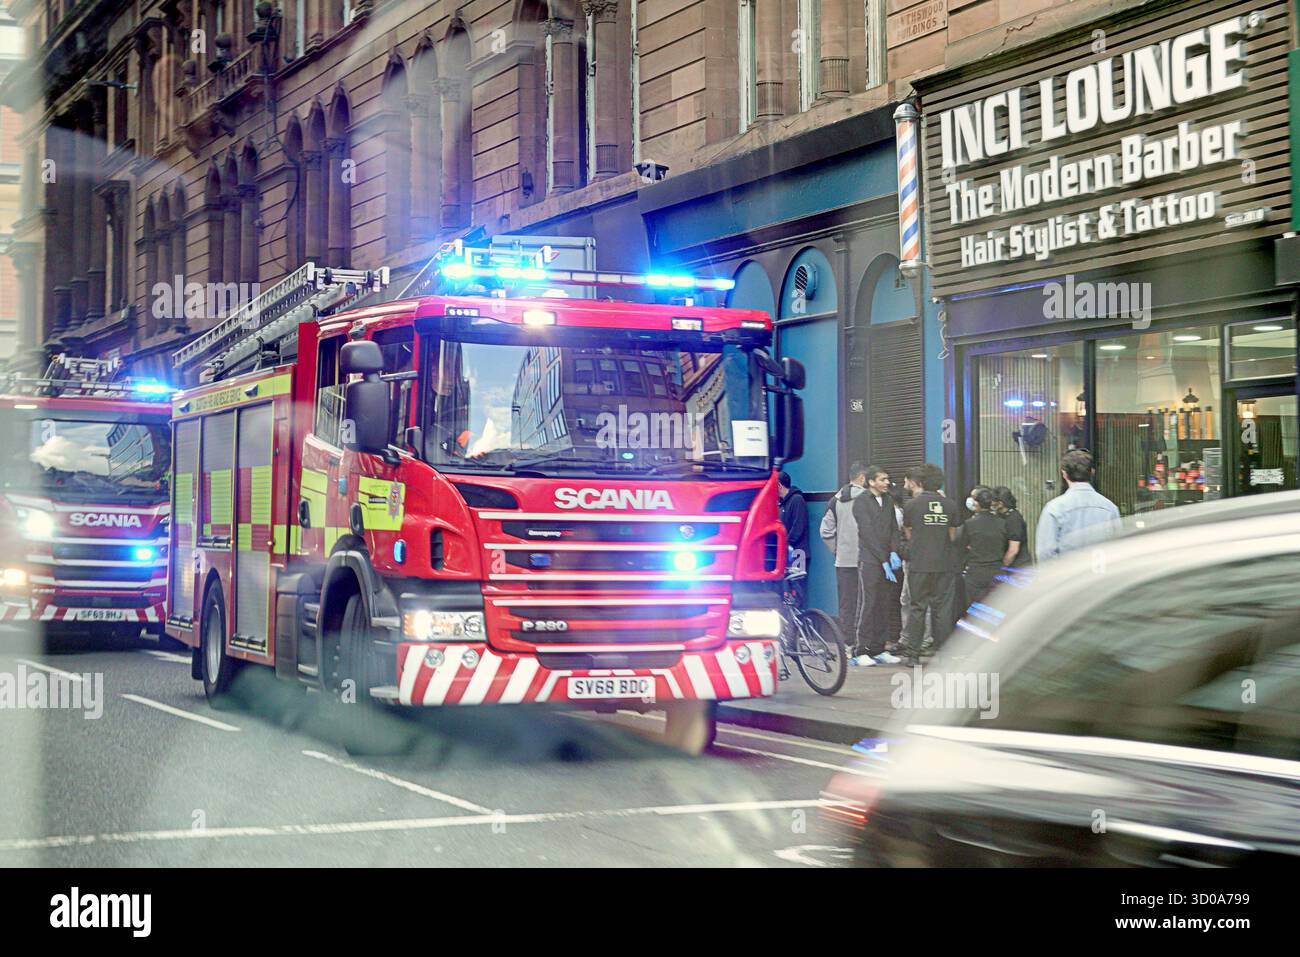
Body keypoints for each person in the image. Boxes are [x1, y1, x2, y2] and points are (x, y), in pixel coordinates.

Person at [897, 463, 961, 667]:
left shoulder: (911, 506)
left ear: (920, 482)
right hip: (944, 564)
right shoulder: (950, 505)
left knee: (917, 608)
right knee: (943, 610)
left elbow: (909, 533)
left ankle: (913, 655)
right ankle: (944, 655)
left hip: (919, 564)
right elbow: (952, 536)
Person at [849, 465, 903, 666]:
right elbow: (867, 533)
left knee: (884, 603)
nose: (887, 482)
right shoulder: (861, 502)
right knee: (868, 604)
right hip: (870, 560)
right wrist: (883, 560)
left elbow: (893, 529)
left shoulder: (888, 500)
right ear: (871, 482)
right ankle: (860, 650)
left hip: (887, 558)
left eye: (887, 479)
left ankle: (879, 649)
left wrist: (894, 551)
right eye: (882, 479)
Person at [1035, 450, 1121, 561]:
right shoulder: (1110, 508)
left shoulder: (1054, 509)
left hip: (1068, 576)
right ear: (1092, 472)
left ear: (1064, 474)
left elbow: (1045, 553)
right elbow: (1116, 549)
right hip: (1100, 575)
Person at [820, 462, 868, 639]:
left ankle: (847, 639)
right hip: (867, 559)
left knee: (847, 602)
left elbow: (825, 531)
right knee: (867, 602)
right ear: (863, 478)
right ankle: (864, 641)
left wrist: (837, 550)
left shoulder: (835, 500)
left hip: (843, 560)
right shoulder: (869, 499)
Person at [895, 466, 933, 653]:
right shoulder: (936, 502)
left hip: (914, 560)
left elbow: (908, 533)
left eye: (906, 481)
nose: (904, 485)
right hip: (923, 558)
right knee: (909, 599)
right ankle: (910, 637)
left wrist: (905, 550)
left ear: (913, 482)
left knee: (914, 600)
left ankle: (916, 639)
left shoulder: (913, 505)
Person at [959, 486, 1008, 610]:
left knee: (974, 611)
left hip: (976, 572)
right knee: (996, 608)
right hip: (997, 570)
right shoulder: (1002, 523)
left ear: (977, 504)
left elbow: (961, 547)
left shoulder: (970, 524)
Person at [778, 471, 810, 607]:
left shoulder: (797, 500)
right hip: (787, 552)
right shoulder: (781, 504)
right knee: (786, 587)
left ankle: (800, 620)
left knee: (797, 585)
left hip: (798, 552)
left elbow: (798, 527)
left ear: (778, 485)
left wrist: (785, 544)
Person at [992, 486, 1030, 567]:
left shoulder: (1014, 519)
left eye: (993, 501)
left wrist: (1001, 568)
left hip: (1018, 568)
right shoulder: (1000, 516)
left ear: (1000, 503)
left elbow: (1013, 550)